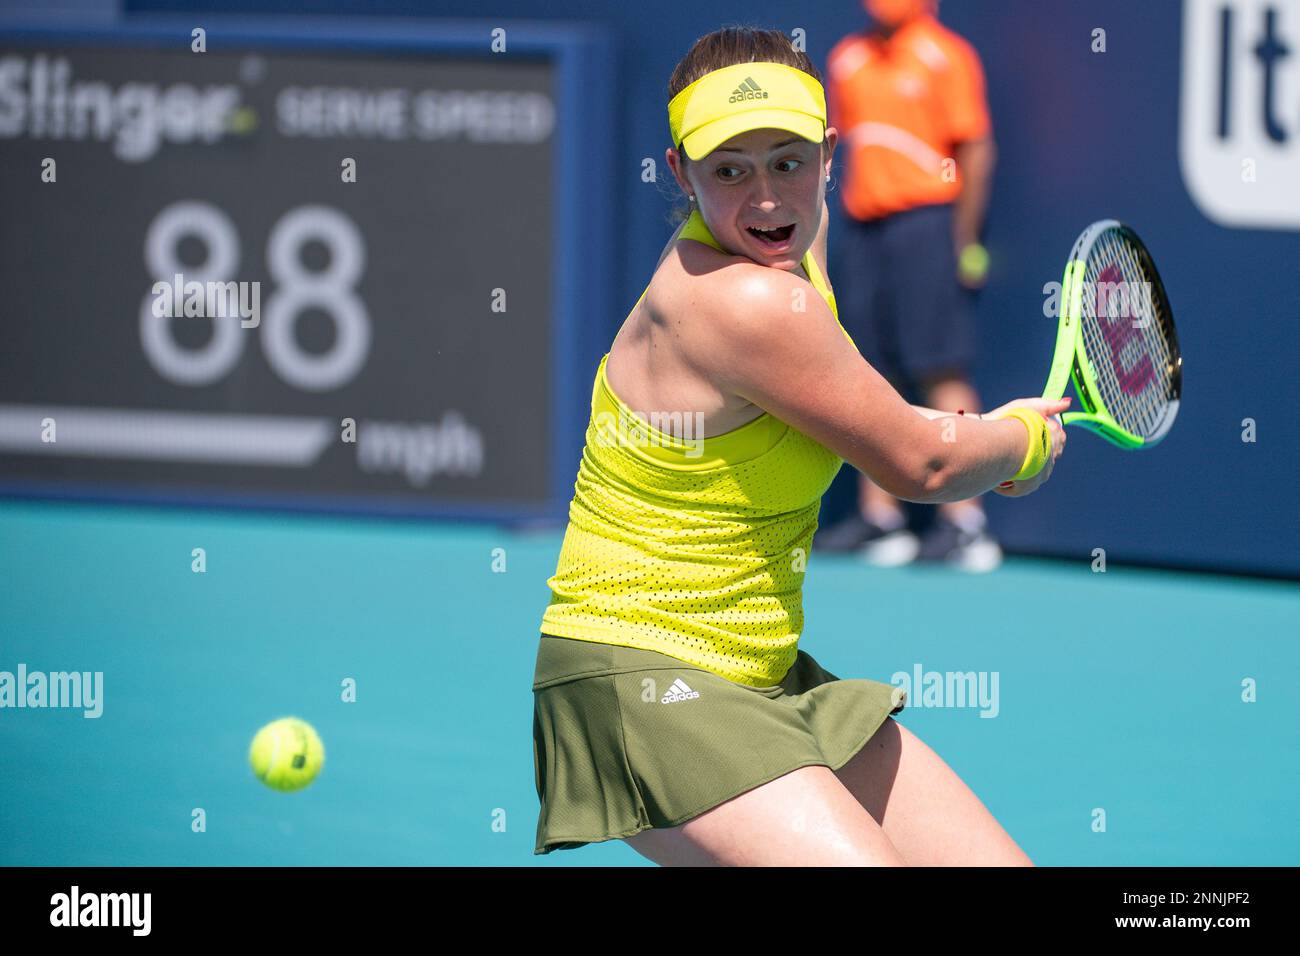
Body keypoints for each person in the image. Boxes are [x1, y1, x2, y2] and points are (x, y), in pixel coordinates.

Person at [531, 26, 1067, 866]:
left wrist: (985, 432)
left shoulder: (795, 256)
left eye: (787, 161)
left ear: (828, 154)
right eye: (729, 170)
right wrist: (1023, 441)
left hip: (760, 671)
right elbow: (921, 462)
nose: (766, 198)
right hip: (641, 675)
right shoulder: (743, 305)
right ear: (680, 171)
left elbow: (917, 433)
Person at [817, 0, 1001, 571]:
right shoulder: (847, 59)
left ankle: (966, 524)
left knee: (940, 366)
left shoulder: (947, 56)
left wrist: (963, 240)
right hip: (865, 231)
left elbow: (975, 148)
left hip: (927, 226)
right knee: (869, 372)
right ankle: (881, 519)